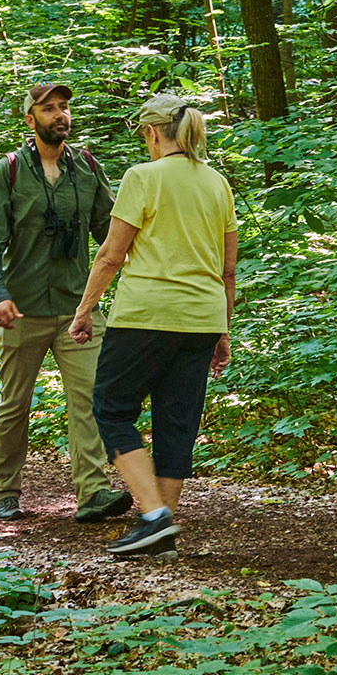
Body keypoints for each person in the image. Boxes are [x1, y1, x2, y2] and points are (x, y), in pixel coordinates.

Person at [70, 95, 236, 557]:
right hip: (202, 319)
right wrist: (222, 330)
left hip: (147, 315)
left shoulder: (142, 177)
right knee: (176, 420)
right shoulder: (218, 183)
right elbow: (227, 270)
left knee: (112, 408)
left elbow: (111, 255)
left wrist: (84, 310)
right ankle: (162, 531)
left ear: (152, 133)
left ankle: (154, 515)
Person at [0, 82, 132, 524]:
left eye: (63, 107)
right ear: (30, 119)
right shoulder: (8, 172)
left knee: (91, 398)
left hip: (78, 308)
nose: (60, 115)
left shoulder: (87, 167)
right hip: (22, 309)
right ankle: (6, 490)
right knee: (14, 404)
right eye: (48, 109)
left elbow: (110, 232)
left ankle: (93, 492)